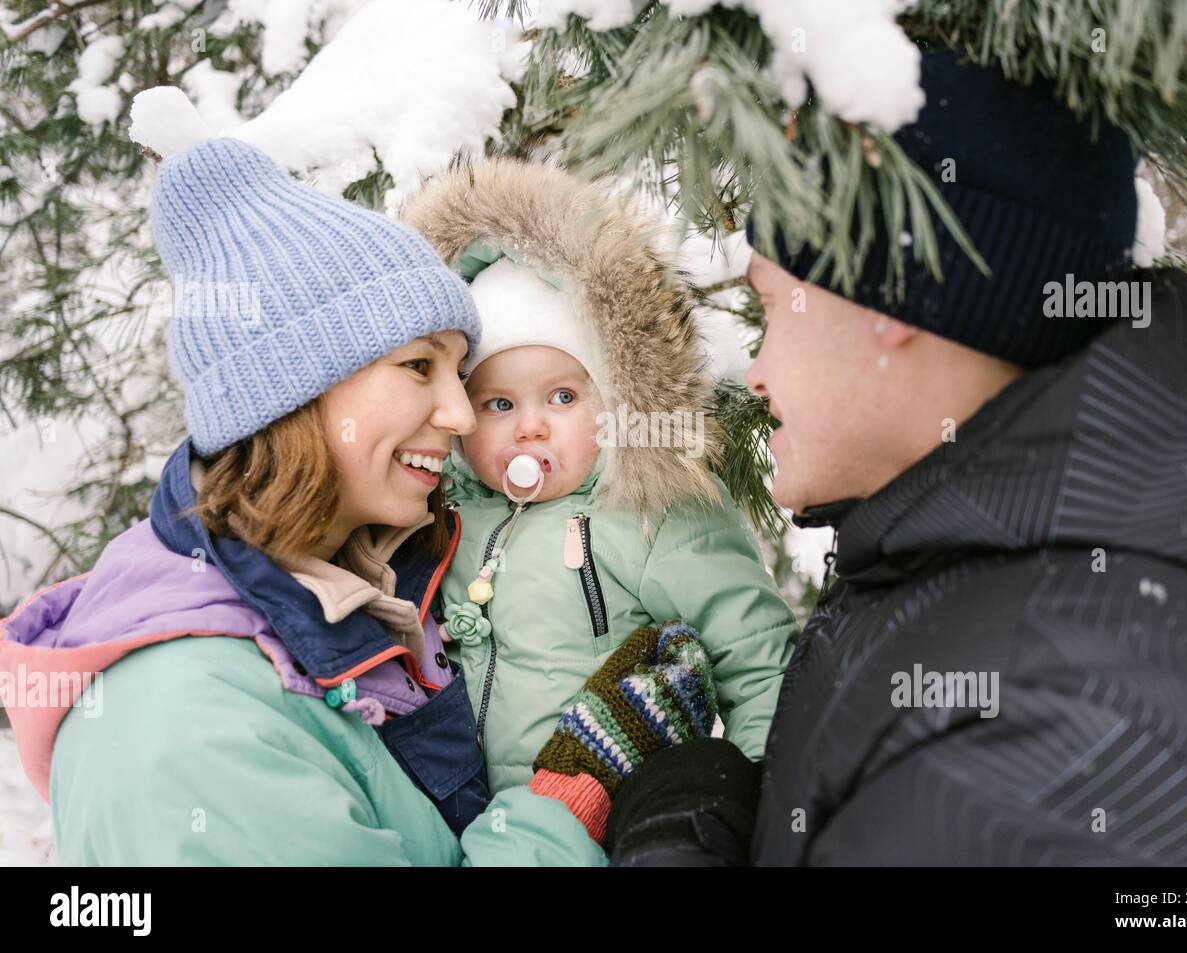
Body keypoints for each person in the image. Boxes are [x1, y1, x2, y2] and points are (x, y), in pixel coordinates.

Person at [605, 49, 1187, 866]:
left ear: (893, 282)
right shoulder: (977, 569)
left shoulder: (1056, 739)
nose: (755, 370)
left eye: (773, 303)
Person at [0, 108, 717, 864]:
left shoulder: (368, 601)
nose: (460, 411)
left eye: (461, 372)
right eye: (419, 366)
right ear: (292, 395)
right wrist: (572, 800)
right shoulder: (189, 728)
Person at [400, 158, 801, 797]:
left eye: (562, 398)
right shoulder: (437, 524)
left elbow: (757, 664)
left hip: (614, 824)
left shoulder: (655, 513)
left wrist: (760, 805)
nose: (530, 428)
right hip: (474, 830)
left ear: (614, 403)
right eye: (498, 405)